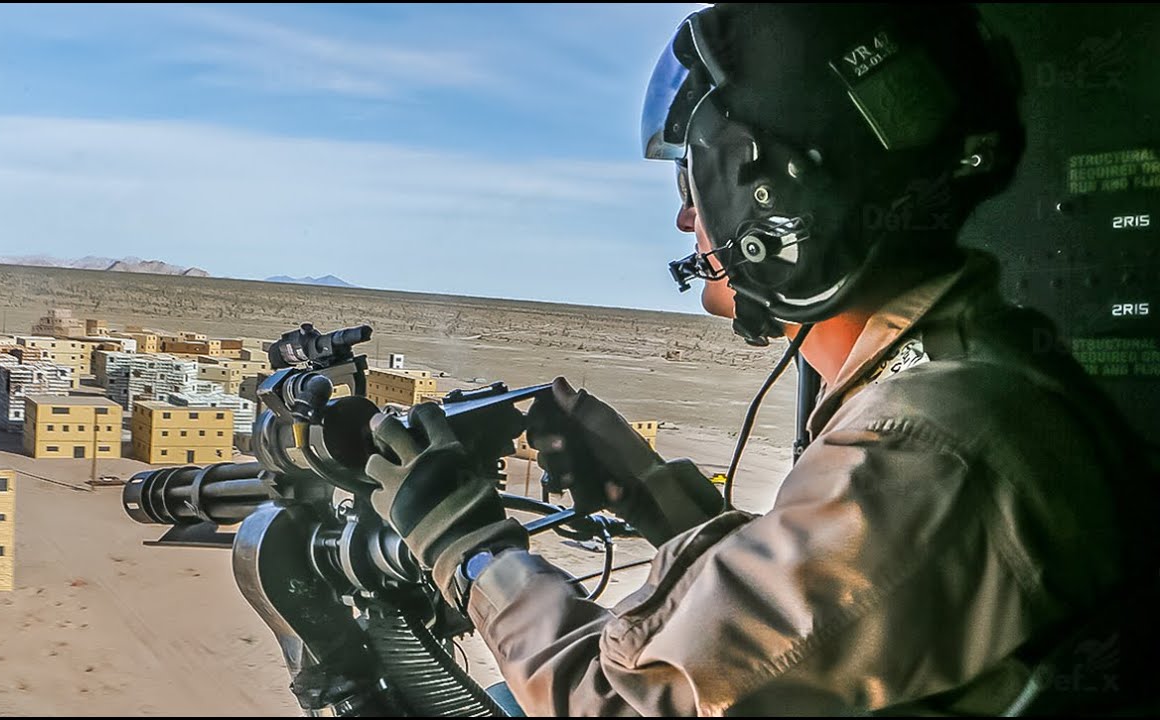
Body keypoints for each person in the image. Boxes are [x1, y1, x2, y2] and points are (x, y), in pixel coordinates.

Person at [363, 4, 1158, 715]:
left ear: (772, 199)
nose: (686, 218)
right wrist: (649, 491)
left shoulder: (927, 448)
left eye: (695, 181)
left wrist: (469, 549)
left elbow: (627, 706)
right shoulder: (977, 379)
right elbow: (817, 628)